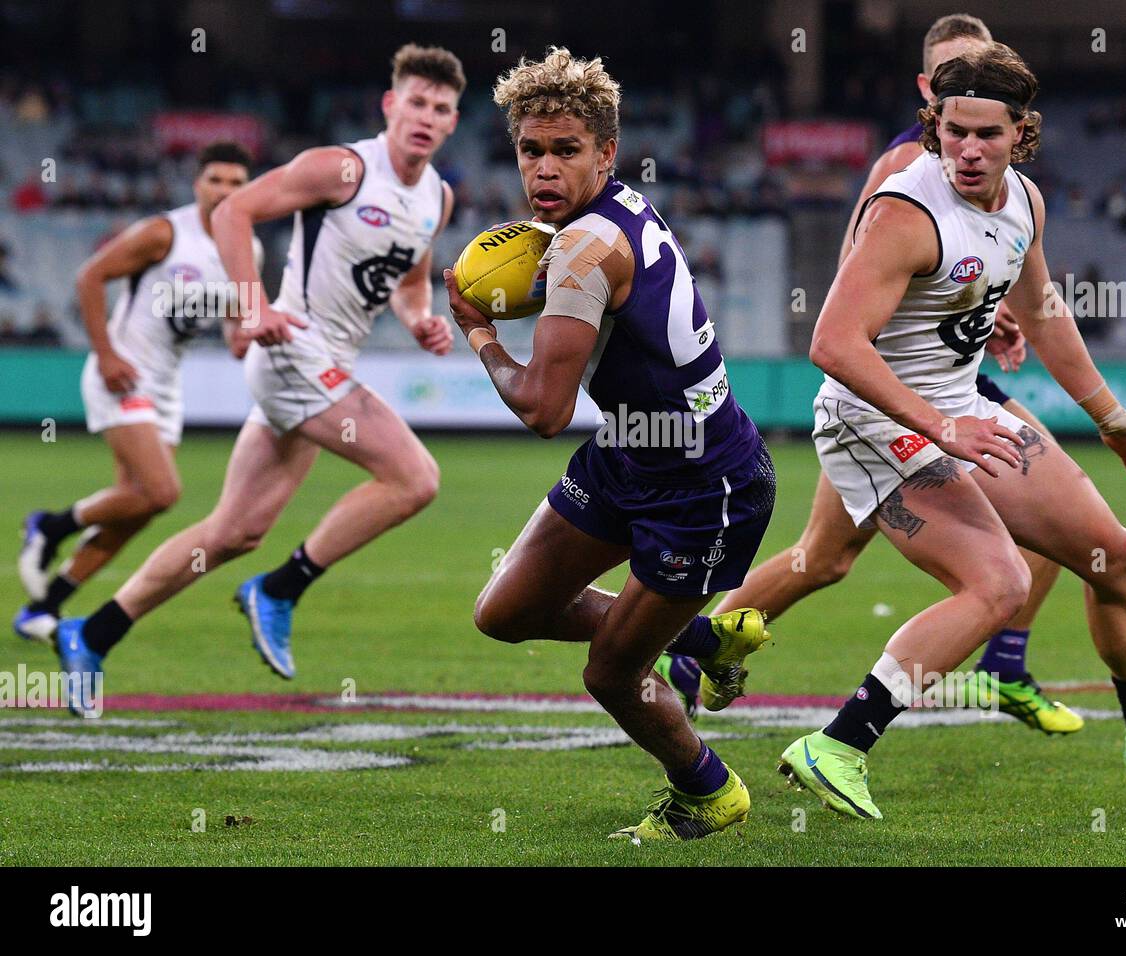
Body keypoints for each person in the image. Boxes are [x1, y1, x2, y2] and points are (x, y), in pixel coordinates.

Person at [777, 43, 1126, 820]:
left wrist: (1108, 414)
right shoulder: (906, 213)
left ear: (1023, 134)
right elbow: (833, 347)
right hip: (873, 419)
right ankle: (837, 743)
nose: (968, 150)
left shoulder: (1025, 204)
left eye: (988, 134)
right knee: (998, 584)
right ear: (932, 124)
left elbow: (1041, 312)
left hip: (960, 410)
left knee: (1113, 555)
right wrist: (942, 426)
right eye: (952, 130)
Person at [55, 44, 464, 713]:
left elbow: (411, 277)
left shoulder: (436, 200)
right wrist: (252, 304)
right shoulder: (342, 168)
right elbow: (231, 212)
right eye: (416, 101)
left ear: (451, 124)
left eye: (441, 108)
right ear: (391, 106)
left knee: (232, 532)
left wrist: (419, 319)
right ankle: (281, 587)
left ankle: (91, 633)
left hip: (327, 366)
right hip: (294, 353)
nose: (426, 115)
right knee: (415, 477)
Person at [709, 13, 1083, 734]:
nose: (974, 93)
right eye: (956, 81)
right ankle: (709, 647)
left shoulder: (1005, 187)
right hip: (896, 391)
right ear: (928, 91)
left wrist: (990, 307)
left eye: (987, 71)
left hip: (948, 378)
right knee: (832, 561)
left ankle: (1003, 665)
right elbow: (855, 305)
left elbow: (981, 273)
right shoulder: (903, 175)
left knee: (828, 558)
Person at [443, 48, 775, 841]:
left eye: (566, 150)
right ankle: (708, 636)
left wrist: (480, 332)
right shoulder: (606, 216)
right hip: (630, 453)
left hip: (705, 487)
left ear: (606, 153)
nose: (545, 169)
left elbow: (544, 409)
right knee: (506, 610)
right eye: (531, 150)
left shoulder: (583, 252)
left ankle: (708, 790)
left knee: (613, 672)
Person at [16, 142, 256, 643]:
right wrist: (105, 354)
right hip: (123, 375)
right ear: (197, 184)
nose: (226, 191)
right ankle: (52, 526)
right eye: (216, 180)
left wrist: (241, 336)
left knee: (140, 506)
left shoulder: (246, 247)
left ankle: (45, 606)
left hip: (165, 385)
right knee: (162, 492)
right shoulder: (165, 233)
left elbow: (239, 311)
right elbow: (90, 276)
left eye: (237, 183)